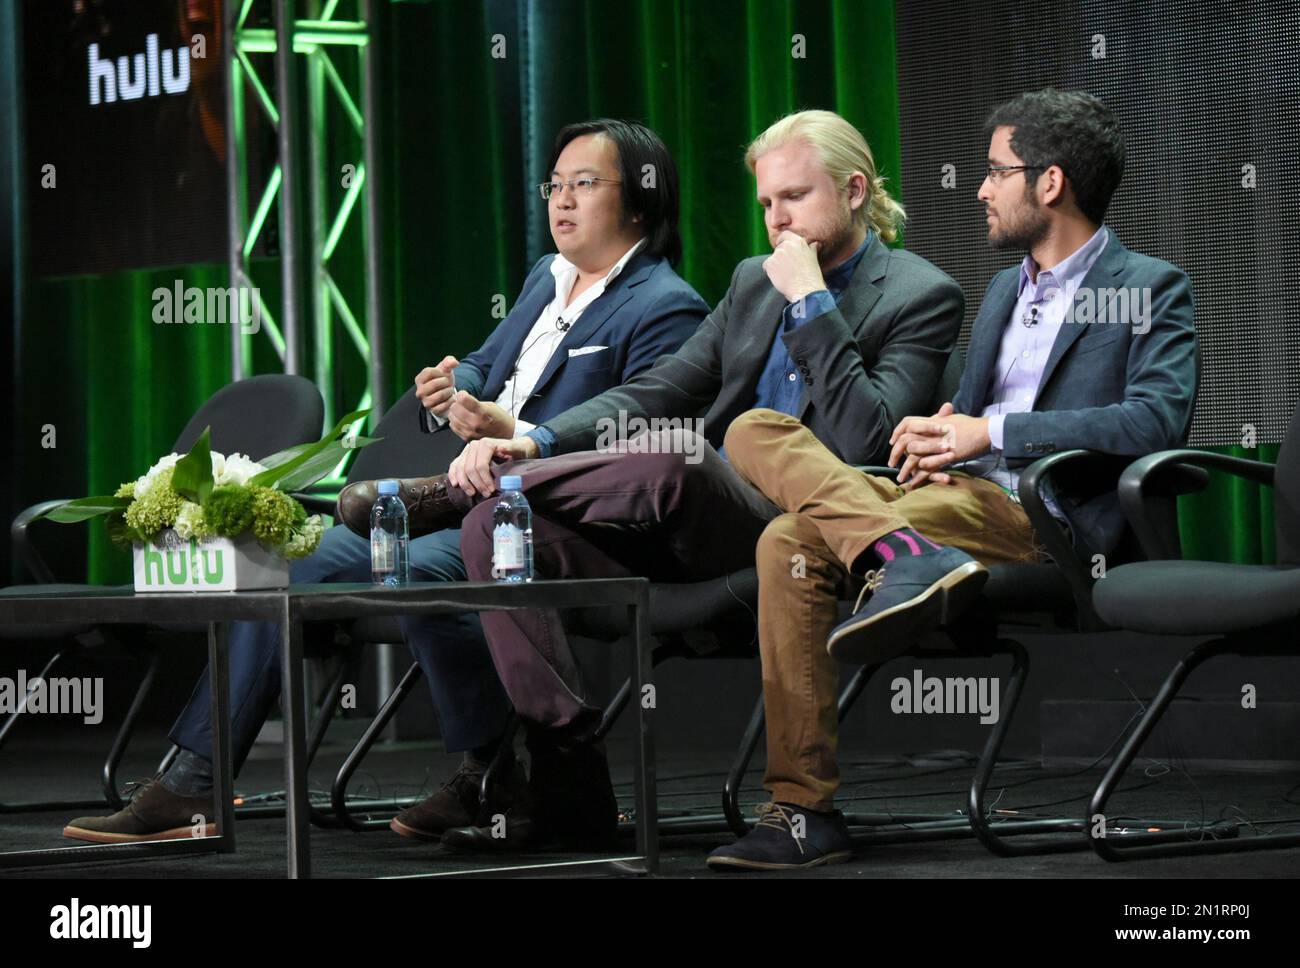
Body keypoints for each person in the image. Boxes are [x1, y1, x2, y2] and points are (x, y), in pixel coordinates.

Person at [62, 119, 708, 844]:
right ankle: (192, 784)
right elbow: (487, 367)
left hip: (551, 520)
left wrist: (511, 437)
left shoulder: (665, 305)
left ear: (644, 202)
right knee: (274, 567)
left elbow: (639, 435)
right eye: (554, 185)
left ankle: (490, 776)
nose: (562, 201)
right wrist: (454, 384)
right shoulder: (545, 279)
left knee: (422, 570)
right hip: (459, 495)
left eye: (585, 185)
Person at [391, 109, 965, 851]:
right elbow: (659, 391)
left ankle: (456, 488)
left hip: (796, 528)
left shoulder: (920, 293)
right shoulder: (750, 283)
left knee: (681, 454)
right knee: (492, 530)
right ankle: (569, 780)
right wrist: (534, 438)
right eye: (765, 203)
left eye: (794, 197)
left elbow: (864, 439)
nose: (776, 219)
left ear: (855, 191)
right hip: (690, 525)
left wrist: (811, 301)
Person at [706, 89, 1198, 871]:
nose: (979, 188)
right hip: (945, 503)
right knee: (761, 460)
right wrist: (940, 436)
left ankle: (806, 790)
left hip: (1039, 516)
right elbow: (966, 424)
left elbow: (1152, 424)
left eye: (997, 171)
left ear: (1050, 184)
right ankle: (806, 811)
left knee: (792, 526)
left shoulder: (1150, 285)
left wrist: (990, 432)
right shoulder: (1006, 290)